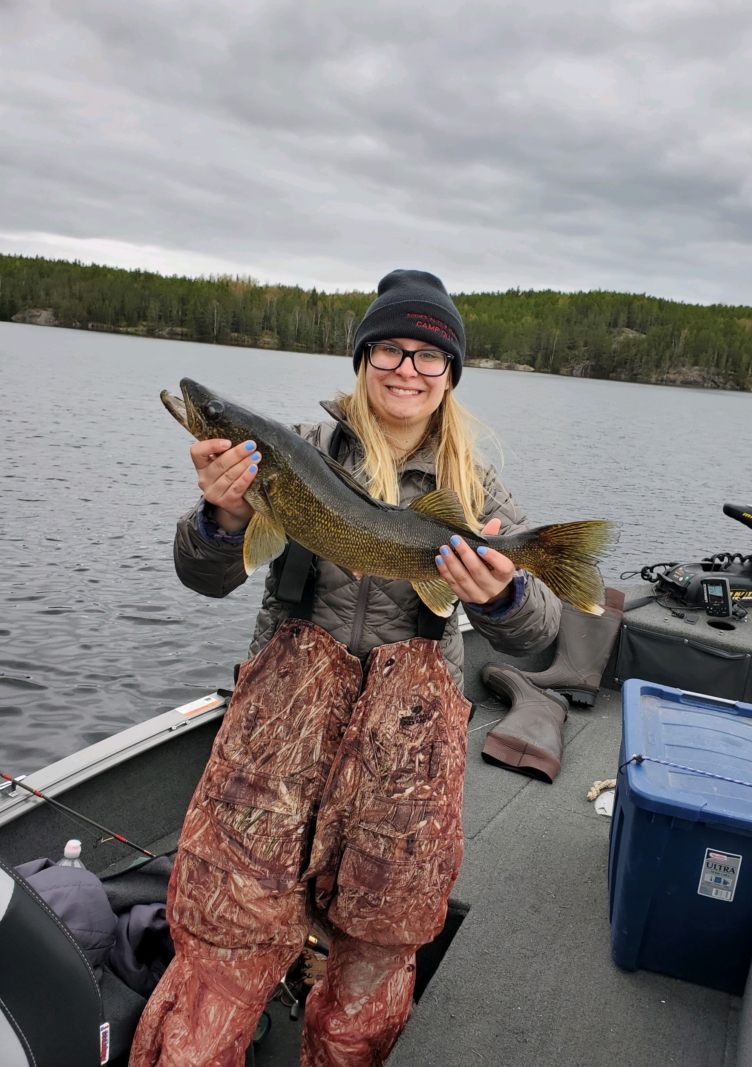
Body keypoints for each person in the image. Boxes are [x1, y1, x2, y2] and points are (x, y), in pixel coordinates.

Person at [130, 270, 562, 1067]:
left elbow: (539, 634)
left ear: (451, 374)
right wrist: (223, 518)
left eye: (430, 356)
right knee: (220, 955)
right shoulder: (292, 450)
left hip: (405, 761)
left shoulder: (476, 491)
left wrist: (502, 596)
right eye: (391, 348)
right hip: (275, 746)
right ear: (363, 358)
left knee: (373, 967)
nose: (408, 368)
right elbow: (205, 574)